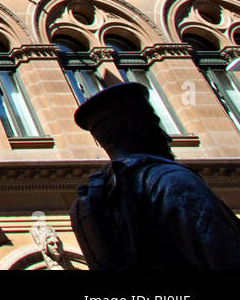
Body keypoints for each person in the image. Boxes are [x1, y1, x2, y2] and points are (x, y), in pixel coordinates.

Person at [69, 81, 240, 269]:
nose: (168, 137)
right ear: (140, 127)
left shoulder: (89, 202)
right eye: (156, 123)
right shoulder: (171, 181)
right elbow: (225, 254)